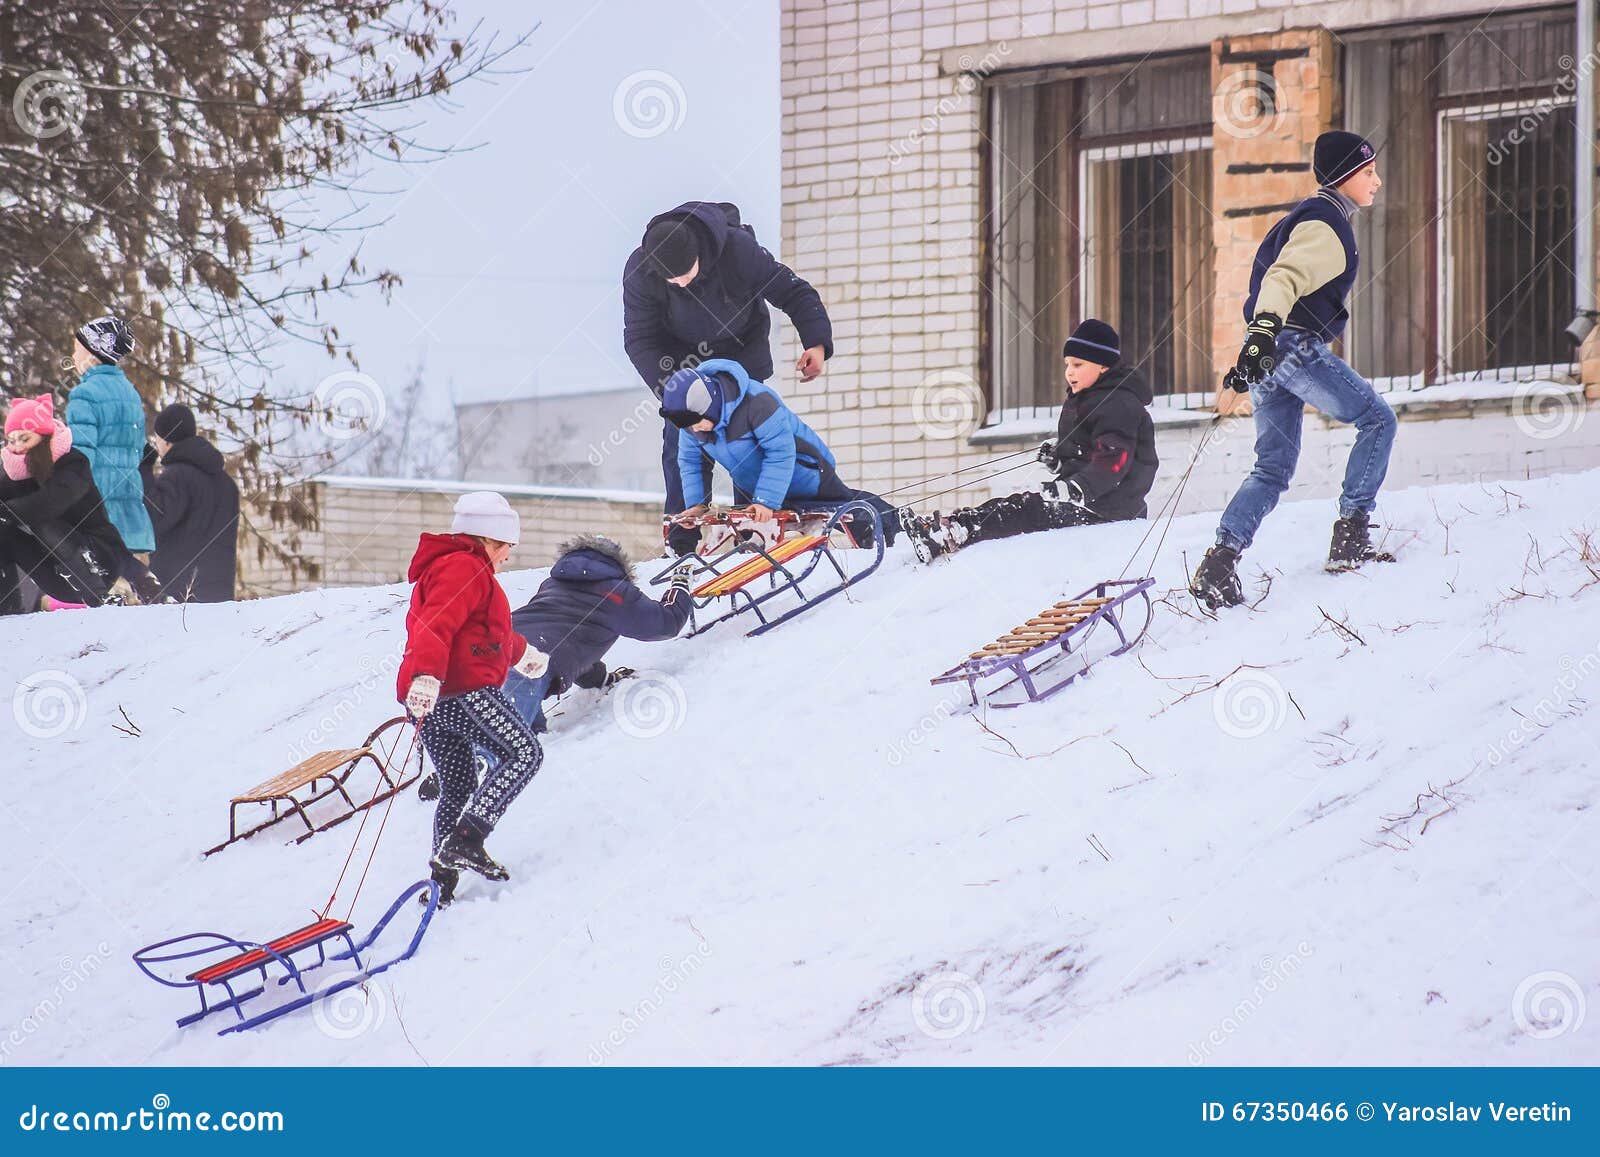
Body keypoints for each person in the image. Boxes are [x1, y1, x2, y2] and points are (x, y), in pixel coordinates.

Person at [1191, 131, 1397, 610]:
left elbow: (1271, 278)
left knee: (1271, 468)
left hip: (1269, 352)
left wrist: (1254, 346)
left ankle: (1221, 560)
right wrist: (1265, 334)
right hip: (1290, 347)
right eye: (1368, 172)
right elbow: (1283, 279)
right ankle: (1351, 536)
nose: (1377, 181)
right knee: (1377, 419)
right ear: (1346, 176)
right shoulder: (1326, 222)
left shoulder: (1305, 218)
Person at [622, 201, 833, 555]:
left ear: (699, 254)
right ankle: (682, 539)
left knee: (748, 434)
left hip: (740, 352)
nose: (680, 282)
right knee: (681, 441)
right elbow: (639, 338)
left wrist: (816, 343)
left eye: (686, 273)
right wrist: (675, 391)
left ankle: (753, 528)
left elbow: (792, 291)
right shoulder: (640, 272)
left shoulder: (737, 251)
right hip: (683, 363)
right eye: (672, 279)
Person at [397, 491, 550, 907]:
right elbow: (435, 624)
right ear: (491, 540)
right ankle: (468, 839)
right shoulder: (464, 566)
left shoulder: (461, 567)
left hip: (433, 699)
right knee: (525, 753)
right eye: (508, 549)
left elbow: (483, 633)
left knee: (459, 785)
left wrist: (523, 655)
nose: (507, 558)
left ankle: (440, 882)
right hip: (458, 691)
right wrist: (427, 674)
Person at [899, 319, 1157, 563]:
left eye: (1078, 365)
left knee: (1025, 509)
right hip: (1090, 499)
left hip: (1111, 508)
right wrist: (1058, 459)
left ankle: (951, 533)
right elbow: (1084, 453)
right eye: (1067, 364)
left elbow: (1114, 461)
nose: (1069, 372)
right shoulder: (1087, 399)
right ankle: (948, 527)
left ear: (1103, 366)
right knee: (1018, 504)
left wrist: (1076, 489)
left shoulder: (1119, 403)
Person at [660, 360, 896, 545]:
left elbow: (780, 453)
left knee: (842, 509)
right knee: (749, 533)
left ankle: (894, 529)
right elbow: (692, 463)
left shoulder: (757, 402)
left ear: (709, 404)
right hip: (754, 483)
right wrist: (697, 505)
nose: (694, 429)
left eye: (697, 422)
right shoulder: (692, 423)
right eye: (688, 426)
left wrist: (765, 501)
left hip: (804, 470)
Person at [505, 535, 695, 733]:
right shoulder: (617, 593)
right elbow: (666, 624)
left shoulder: (553, 583)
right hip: (526, 670)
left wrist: (601, 680)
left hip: (498, 646)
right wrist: (680, 585)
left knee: (517, 743)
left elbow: (571, 641)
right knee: (508, 746)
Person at [0, 395, 129, 613]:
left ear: (43, 436)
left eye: (24, 438)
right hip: (56, 574)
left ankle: (101, 599)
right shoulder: (14, 474)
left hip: (100, 560)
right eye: (12, 440)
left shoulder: (73, 462)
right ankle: (7, 609)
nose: (18, 447)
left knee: (42, 520)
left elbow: (52, 501)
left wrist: (7, 510)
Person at [64, 316, 156, 562]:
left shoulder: (84, 394)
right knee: (127, 569)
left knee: (93, 575)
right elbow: (137, 448)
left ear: (93, 352)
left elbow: (80, 455)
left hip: (97, 500)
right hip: (128, 495)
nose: (73, 357)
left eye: (77, 350)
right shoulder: (130, 393)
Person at [141, 403, 240, 602]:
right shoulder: (227, 484)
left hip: (180, 593)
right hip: (220, 592)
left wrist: (144, 472)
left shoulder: (177, 477)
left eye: (157, 438)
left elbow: (153, 521)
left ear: (167, 440)